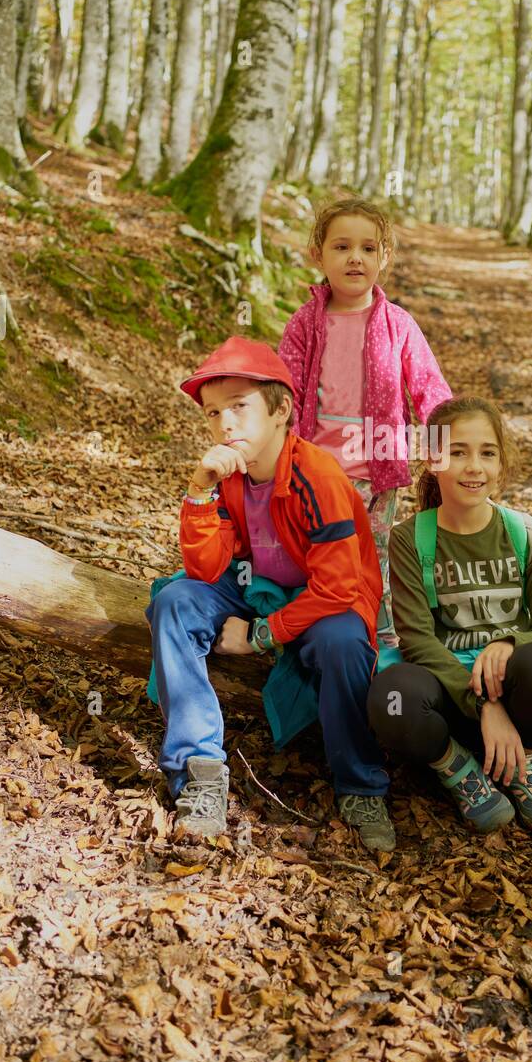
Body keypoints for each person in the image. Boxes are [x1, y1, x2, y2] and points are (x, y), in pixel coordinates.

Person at [145, 337, 395, 853]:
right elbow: (205, 566)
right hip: (253, 585)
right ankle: (200, 771)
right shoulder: (229, 477)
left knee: (344, 642)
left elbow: (338, 588)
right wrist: (198, 492)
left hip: (321, 597)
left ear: (282, 410)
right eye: (214, 413)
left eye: (240, 406)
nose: (225, 424)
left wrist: (259, 636)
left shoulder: (318, 478)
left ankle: (360, 784)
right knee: (174, 602)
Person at [367, 395, 532, 837]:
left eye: (487, 453)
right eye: (457, 452)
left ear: (501, 465)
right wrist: (484, 705)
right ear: (432, 460)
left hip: (517, 692)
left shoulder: (527, 533)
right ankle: (460, 769)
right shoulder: (410, 540)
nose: (473, 466)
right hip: (449, 693)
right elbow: (418, 642)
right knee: (391, 695)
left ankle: (526, 764)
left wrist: (507, 645)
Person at [278, 197, 452, 650]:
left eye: (368, 249)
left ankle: (383, 641)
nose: (355, 257)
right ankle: (309, 632)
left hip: (376, 470)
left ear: (384, 259)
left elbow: (428, 385)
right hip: (315, 469)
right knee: (319, 552)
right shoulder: (306, 323)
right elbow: (285, 391)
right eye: (341, 247)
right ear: (318, 254)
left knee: (373, 559)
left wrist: (443, 436)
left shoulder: (398, 324)